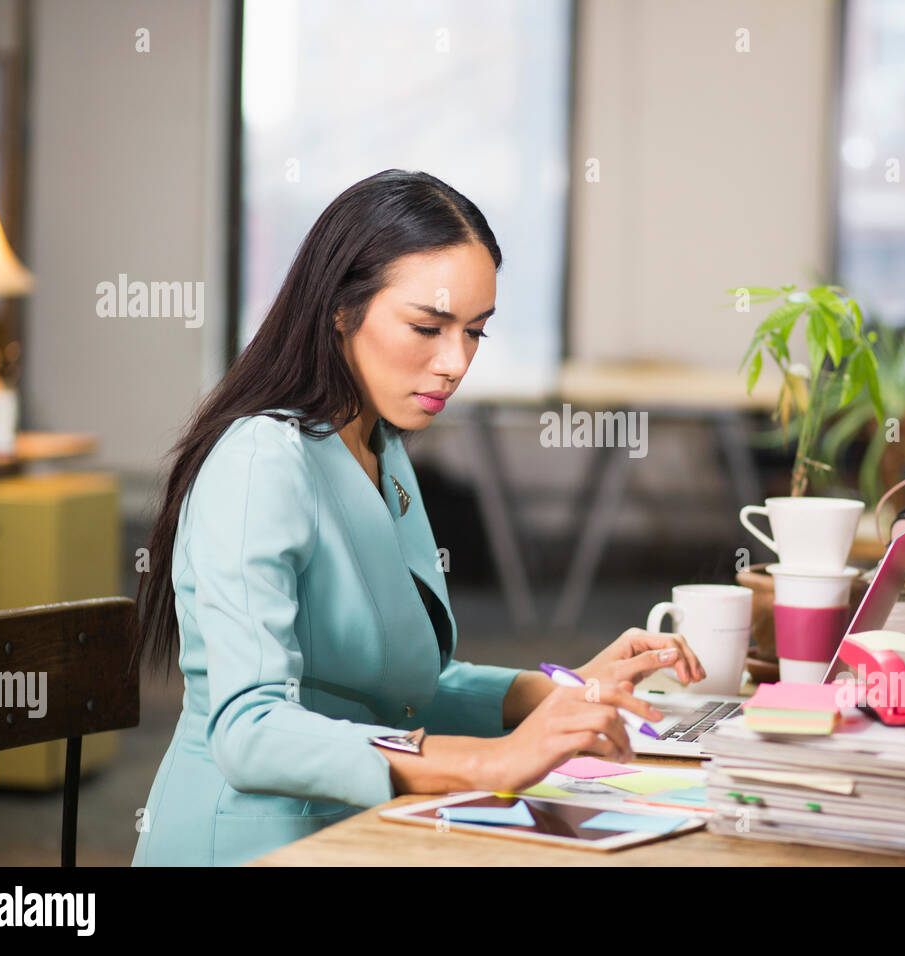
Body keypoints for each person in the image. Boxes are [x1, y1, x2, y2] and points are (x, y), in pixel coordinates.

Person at [130, 170, 705, 866]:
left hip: (364, 829)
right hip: (256, 844)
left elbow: (391, 693)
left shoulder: (381, 447)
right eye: (427, 327)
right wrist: (488, 763)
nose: (454, 362)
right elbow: (251, 732)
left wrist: (558, 692)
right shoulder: (261, 460)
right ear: (340, 308)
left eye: (475, 333)